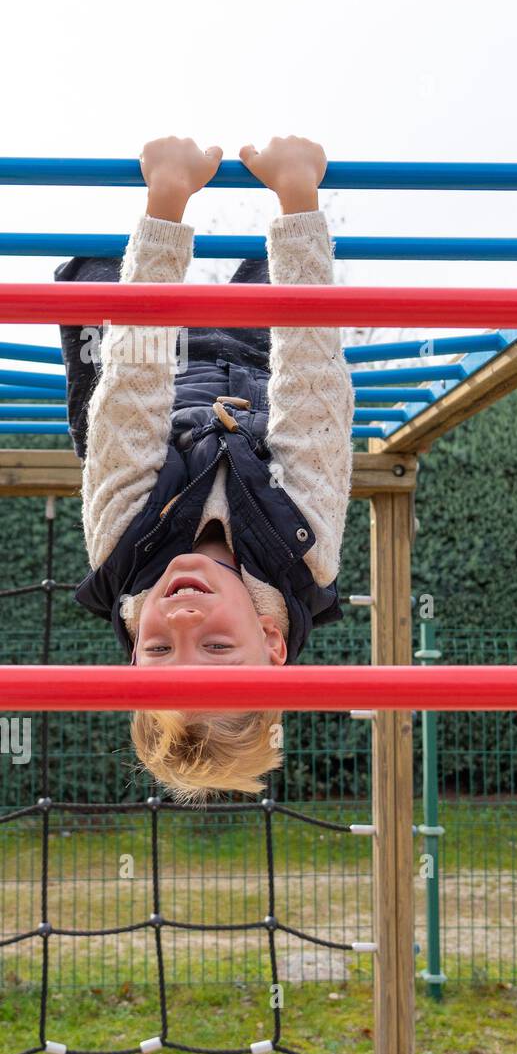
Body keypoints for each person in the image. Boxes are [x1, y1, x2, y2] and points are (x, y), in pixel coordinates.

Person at [54, 136, 354, 801]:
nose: (184, 620)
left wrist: (165, 202)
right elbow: (312, 387)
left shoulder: (122, 548)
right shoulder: (305, 551)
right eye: (217, 647)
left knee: (91, 275)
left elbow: (135, 378)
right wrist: (298, 198)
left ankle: (119, 258)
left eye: (160, 652)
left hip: (143, 384)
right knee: (303, 270)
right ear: (273, 645)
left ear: (133, 656)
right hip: (255, 372)